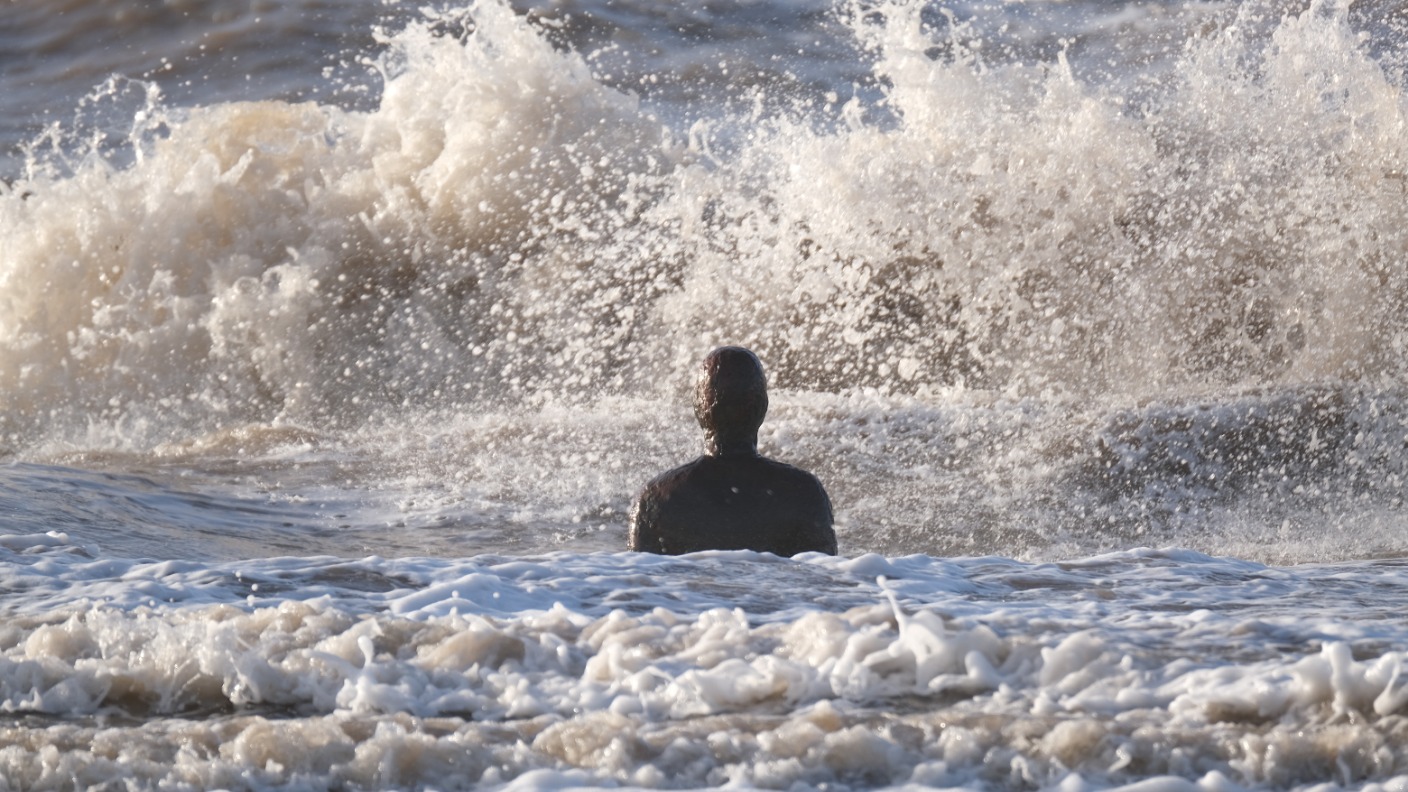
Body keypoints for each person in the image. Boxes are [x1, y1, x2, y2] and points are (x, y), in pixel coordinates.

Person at [628, 346, 838, 556]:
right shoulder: (803, 493)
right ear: (763, 406)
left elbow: (639, 582)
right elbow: (822, 582)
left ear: (698, 408)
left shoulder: (656, 498)